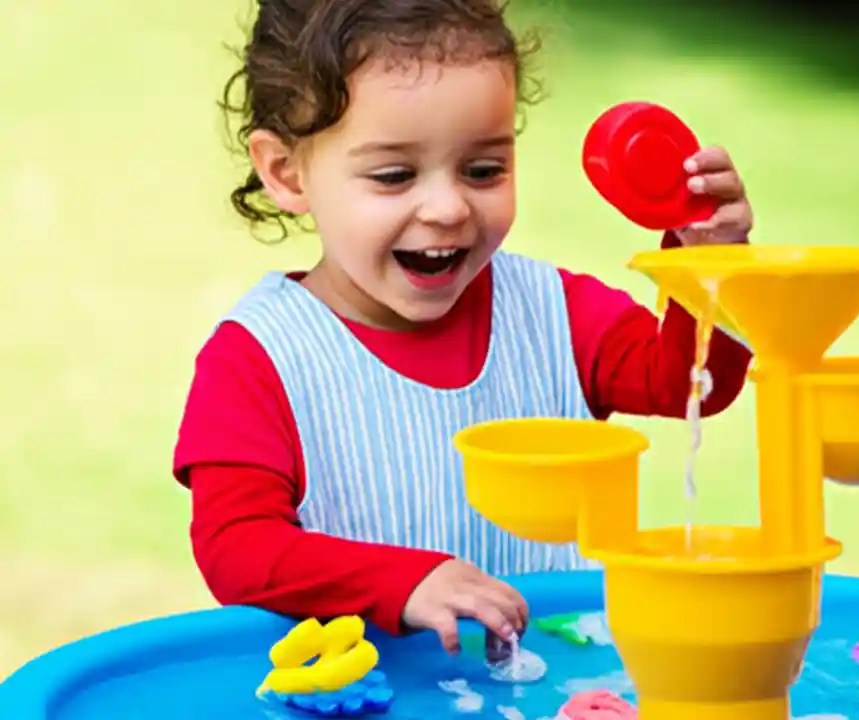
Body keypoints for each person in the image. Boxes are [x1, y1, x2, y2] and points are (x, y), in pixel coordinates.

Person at [173, 0, 755, 656]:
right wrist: (405, 580)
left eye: (483, 170)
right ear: (286, 172)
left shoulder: (549, 312)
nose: (449, 207)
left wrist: (710, 262)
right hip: (369, 699)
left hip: (556, 691)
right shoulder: (261, 358)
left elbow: (689, 384)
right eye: (394, 175)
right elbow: (237, 548)